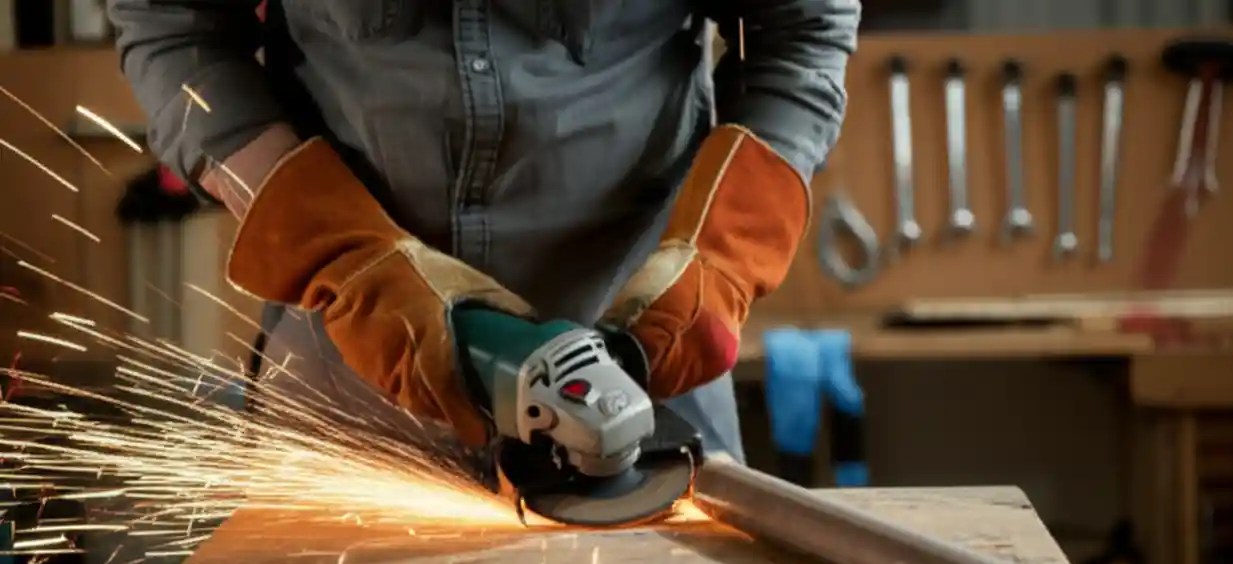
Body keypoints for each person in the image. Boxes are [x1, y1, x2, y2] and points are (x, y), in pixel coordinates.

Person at [106, 1, 860, 462]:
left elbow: (800, 32)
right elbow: (177, 30)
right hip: (352, 374)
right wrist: (338, 253)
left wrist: (722, 257)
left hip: (641, 383)